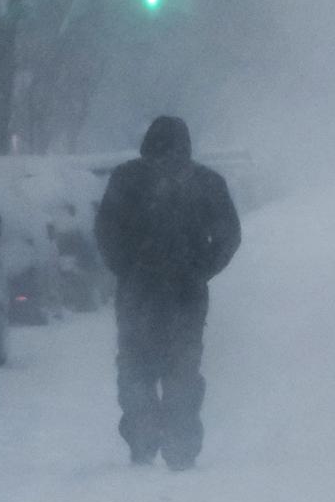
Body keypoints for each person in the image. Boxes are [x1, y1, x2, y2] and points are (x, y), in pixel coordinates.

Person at [93, 116, 243, 471]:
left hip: (137, 293)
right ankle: (181, 444)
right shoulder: (206, 183)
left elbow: (105, 232)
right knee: (182, 368)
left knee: (136, 366)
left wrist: (127, 268)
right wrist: (201, 269)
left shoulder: (126, 179)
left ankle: (142, 438)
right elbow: (229, 236)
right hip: (186, 294)